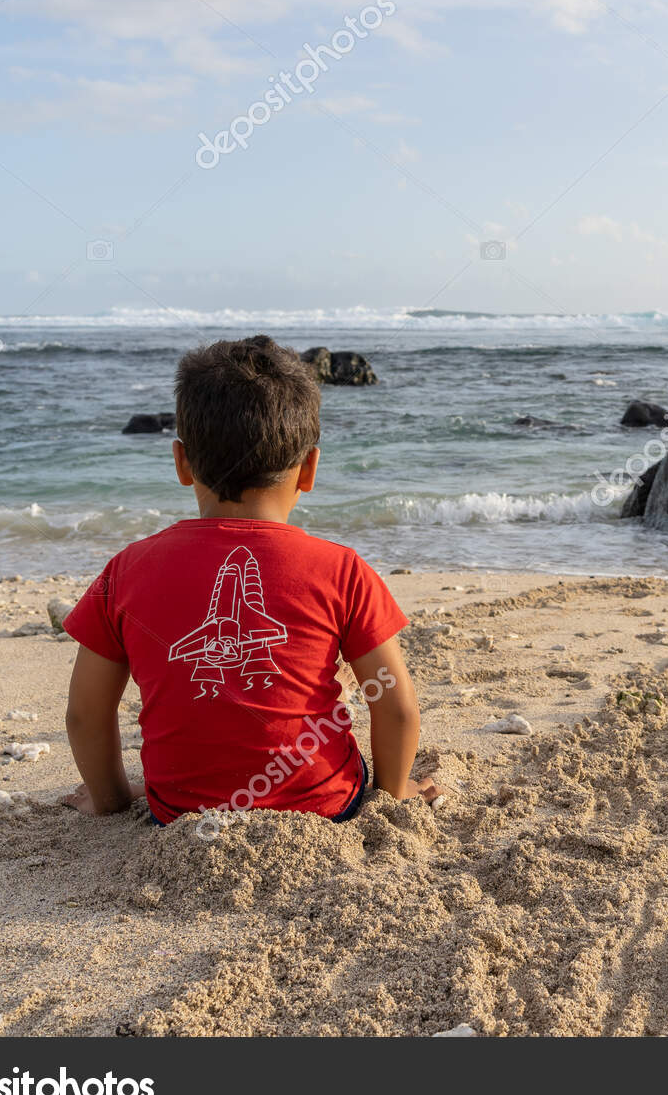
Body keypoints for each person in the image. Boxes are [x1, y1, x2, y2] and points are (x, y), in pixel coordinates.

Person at [58, 334, 437, 825]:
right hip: (321, 807)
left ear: (181, 461)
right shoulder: (343, 570)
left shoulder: (125, 569)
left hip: (179, 813)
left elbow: (85, 714)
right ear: (309, 470)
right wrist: (393, 792)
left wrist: (108, 800)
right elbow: (395, 705)